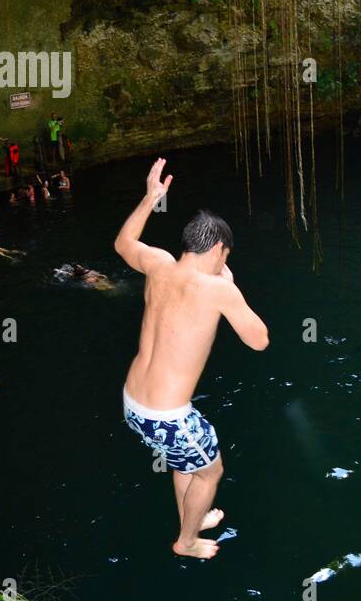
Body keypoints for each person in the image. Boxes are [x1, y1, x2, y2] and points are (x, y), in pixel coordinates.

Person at [115, 158, 269, 560]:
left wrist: (150, 198)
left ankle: (193, 515)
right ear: (219, 249)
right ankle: (185, 541)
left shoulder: (158, 264)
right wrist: (232, 287)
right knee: (211, 471)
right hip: (166, 415)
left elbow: (123, 243)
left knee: (185, 461)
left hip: (133, 401)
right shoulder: (217, 288)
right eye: (226, 256)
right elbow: (259, 341)